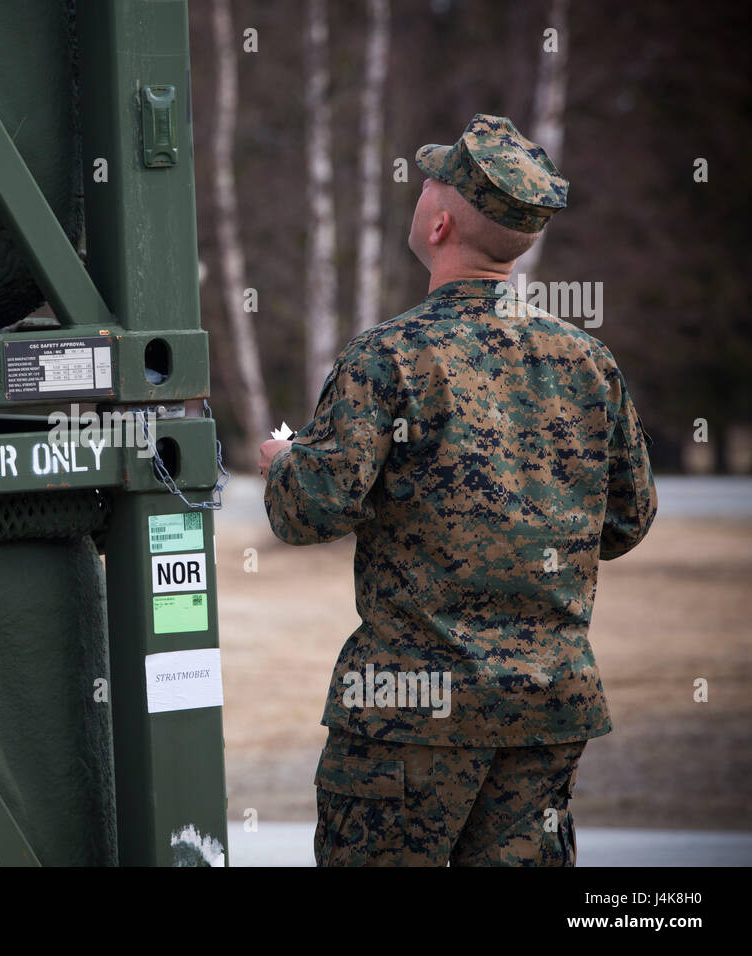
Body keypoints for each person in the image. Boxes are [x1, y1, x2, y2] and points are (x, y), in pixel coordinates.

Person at [258, 113, 658, 866]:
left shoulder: (388, 357)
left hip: (410, 716)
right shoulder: (586, 362)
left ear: (439, 223)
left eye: (427, 183)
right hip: (544, 710)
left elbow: (309, 510)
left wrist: (284, 460)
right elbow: (629, 518)